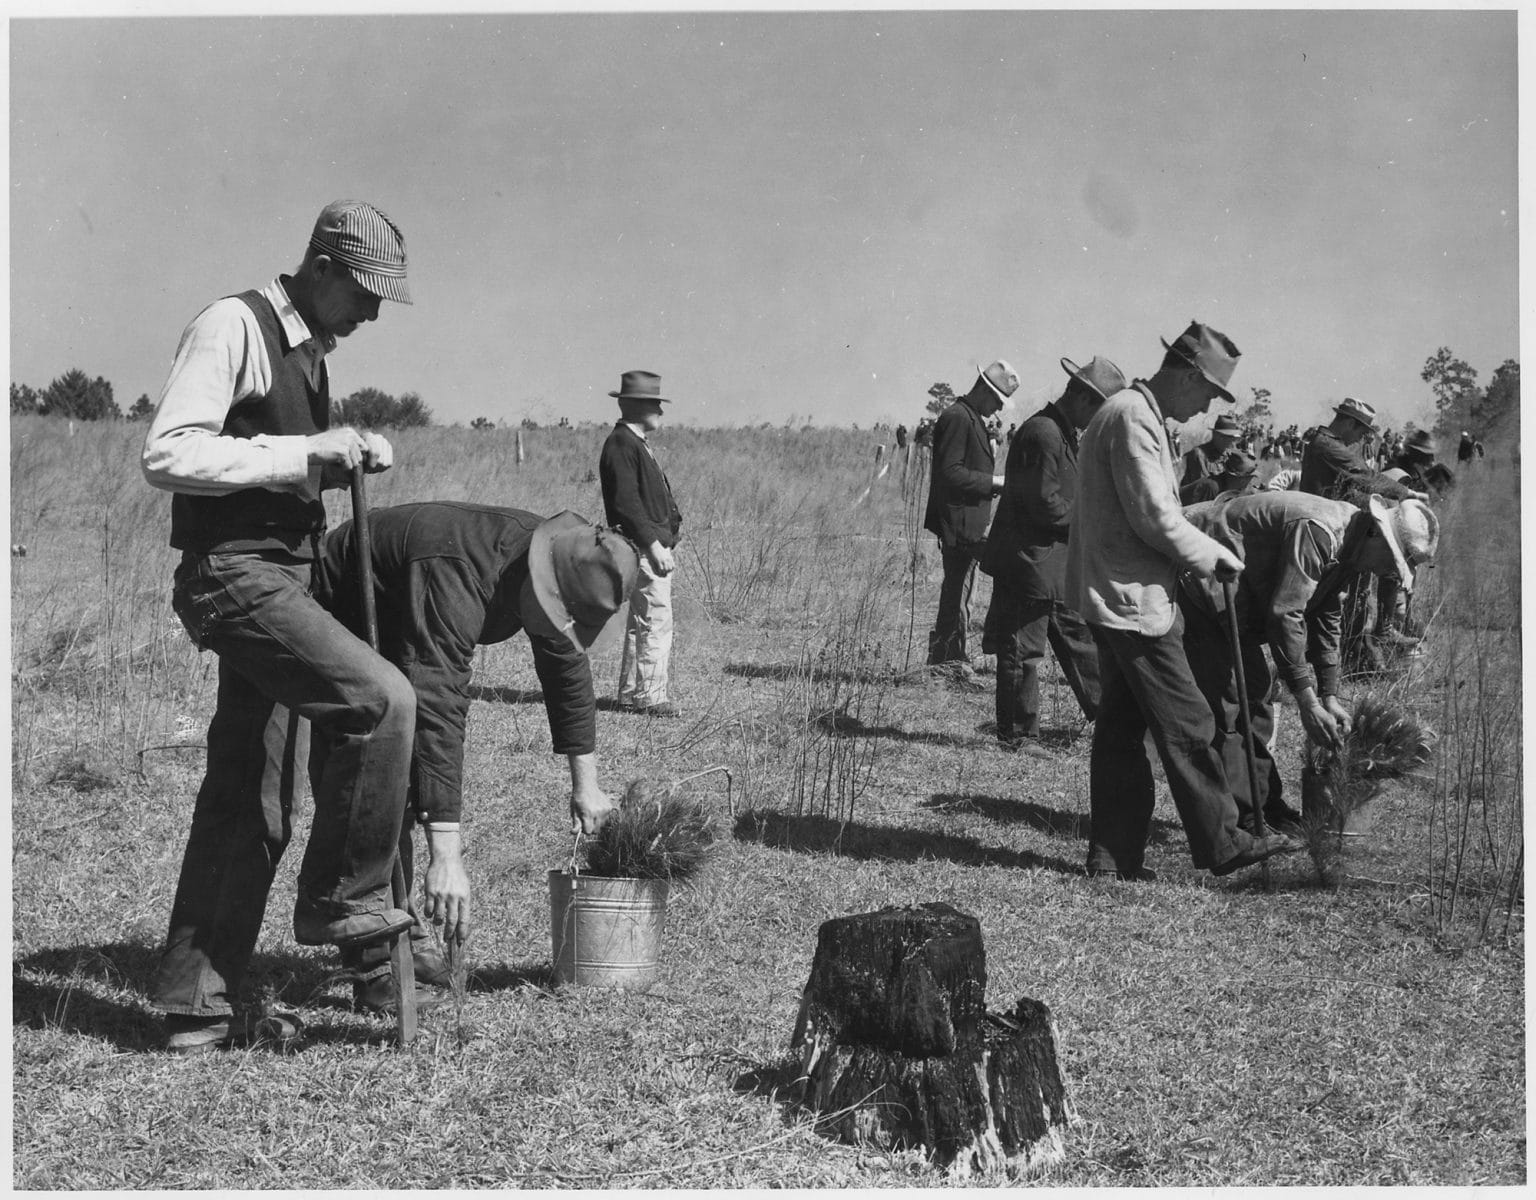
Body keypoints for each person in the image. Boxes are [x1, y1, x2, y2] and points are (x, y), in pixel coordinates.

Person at [141, 199, 415, 1053]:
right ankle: (341, 904)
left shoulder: (307, 351)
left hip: (280, 578)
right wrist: (307, 453)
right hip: (233, 576)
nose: (372, 314)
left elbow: (268, 464)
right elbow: (168, 453)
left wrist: (334, 458)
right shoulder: (235, 325)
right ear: (322, 267)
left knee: (249, 796)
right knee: (383, 702)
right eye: (365, 293)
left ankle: (196, 1003)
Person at [313, 503, 638, 1011]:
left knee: (402, 774)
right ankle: (375, 961)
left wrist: (586, 782)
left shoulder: (556, 562)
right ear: (541, 584)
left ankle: (401, 931)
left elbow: (567, 671)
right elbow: (438, 707)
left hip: (406, 620)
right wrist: (447, 857)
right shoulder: (458, 575)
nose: (560, 628)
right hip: (337, 608)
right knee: (373, 781)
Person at [1066, 320, 1301, 882]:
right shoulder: (1132, 417)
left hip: (1117, 591)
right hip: (1131, 599)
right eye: (1209, 392)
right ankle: (1225, 843)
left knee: (1121, 730)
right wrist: (1215, 556)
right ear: (1187, 374)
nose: (1206, 407)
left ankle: (1112, 858)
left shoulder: (1131, 412)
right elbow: (1155, 517)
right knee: (1189, 719)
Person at [1178, 492, 1439, 834]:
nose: (1389, 570)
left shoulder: (1353, 547)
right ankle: (1245, 816)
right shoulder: (1319, 532)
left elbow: (1326, 611)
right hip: (1197, 579)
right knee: (1232, 698)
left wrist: (1328, 694)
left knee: (1254, 695)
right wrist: (1306, 700)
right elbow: (1286, 615)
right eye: (1392, 558)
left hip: (1232, 597)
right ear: (1376, 533)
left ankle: (1265, 805)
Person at [980, 356, 1119, 749]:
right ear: (1082, 398)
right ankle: (1019, 736)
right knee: (1023, 652)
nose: (1095, 422)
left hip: (1055, 566)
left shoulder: (1060, 432)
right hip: (1029, 565)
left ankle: (1115, 726)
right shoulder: (1043, 432)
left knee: (1082, 644)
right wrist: (1092, 521)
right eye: (1097, 411)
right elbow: (1044, 504)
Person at [600, 370, 685, 717]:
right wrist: (653, 545)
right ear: (637, 407)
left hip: (643, 547)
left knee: (642, 620)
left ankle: (632, 693)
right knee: (655, 619)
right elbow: (627, 505)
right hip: (643, 549)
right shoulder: (623, 444)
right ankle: (650, 696)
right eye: (655, 404)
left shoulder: (630, 442)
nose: (660, 411)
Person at [922, 360, 1015, 664]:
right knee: (959, 592)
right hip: (960, 523)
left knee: (960, 592)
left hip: (968, 522)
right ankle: (950, 660)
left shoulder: (969, 417)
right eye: (998, 402)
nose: (998, 409)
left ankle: (947, 658)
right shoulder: (958, 418)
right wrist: (995, 482)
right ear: (986, 391)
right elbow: (950, 474)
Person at [1300, 398, 1424, 505]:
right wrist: (1408, 493)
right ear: (1350, 423)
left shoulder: (1325, 441)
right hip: (1321, 512)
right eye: (1361, 433)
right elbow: (1366, 476)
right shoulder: (1328, 445)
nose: (1360, 439)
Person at [1179, 411, 1243, 493]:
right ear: (1215, 435)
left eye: (1232, 437)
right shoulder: (1199, 454)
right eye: (1226, 437)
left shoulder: (1228, 455)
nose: (1231, 441)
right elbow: (1204, 488)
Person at [1180, 447, 1258, 504]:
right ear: (1240, 479)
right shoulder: (1212, 487)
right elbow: (1197, 514)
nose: (1249, 482)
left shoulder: (1227, 487)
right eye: (1249, 478)